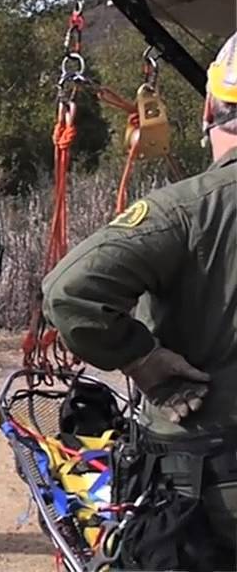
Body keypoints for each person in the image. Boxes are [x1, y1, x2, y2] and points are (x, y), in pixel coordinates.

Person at [42, 31, 237, 565]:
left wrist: (141, 358)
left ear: (209, 108)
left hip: (206, 481)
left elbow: (68, 292)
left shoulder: (185, 211)